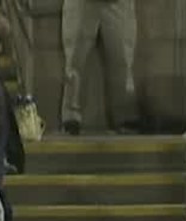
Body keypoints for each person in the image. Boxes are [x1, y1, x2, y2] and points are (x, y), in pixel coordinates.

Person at [59, 0, 137, 135]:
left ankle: (125, 116)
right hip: (80, 4)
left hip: (118, 4)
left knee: (122, 59)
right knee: (75, 61)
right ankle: (71, 117)